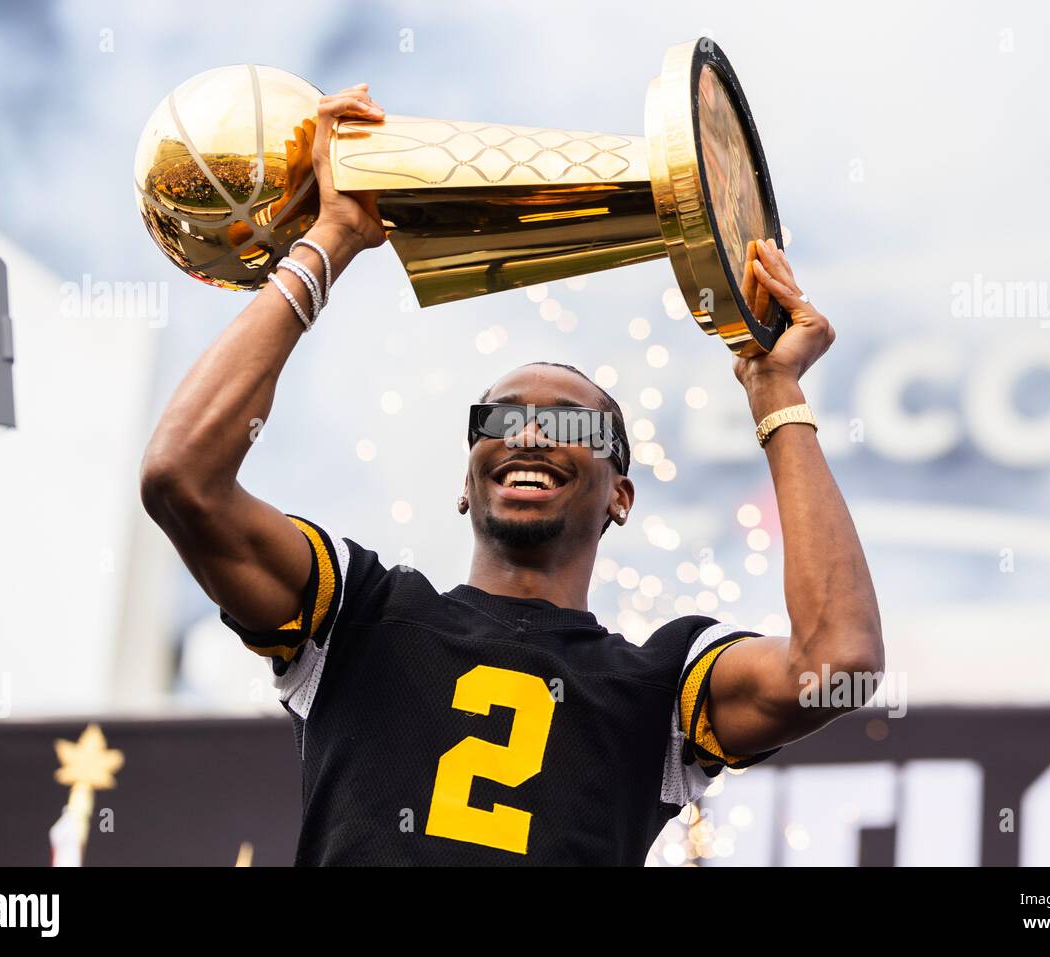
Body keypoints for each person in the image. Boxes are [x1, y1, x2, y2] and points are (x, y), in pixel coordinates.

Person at [140, 84, 883, 865]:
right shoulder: (354, 616)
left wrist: (776, 388)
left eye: (569, 424)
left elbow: (840, 661)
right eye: (498, 419)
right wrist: (332, 236)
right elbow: (180, 477)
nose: (528, 432)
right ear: (465, 481)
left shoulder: (660, 688)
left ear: (620, 496)